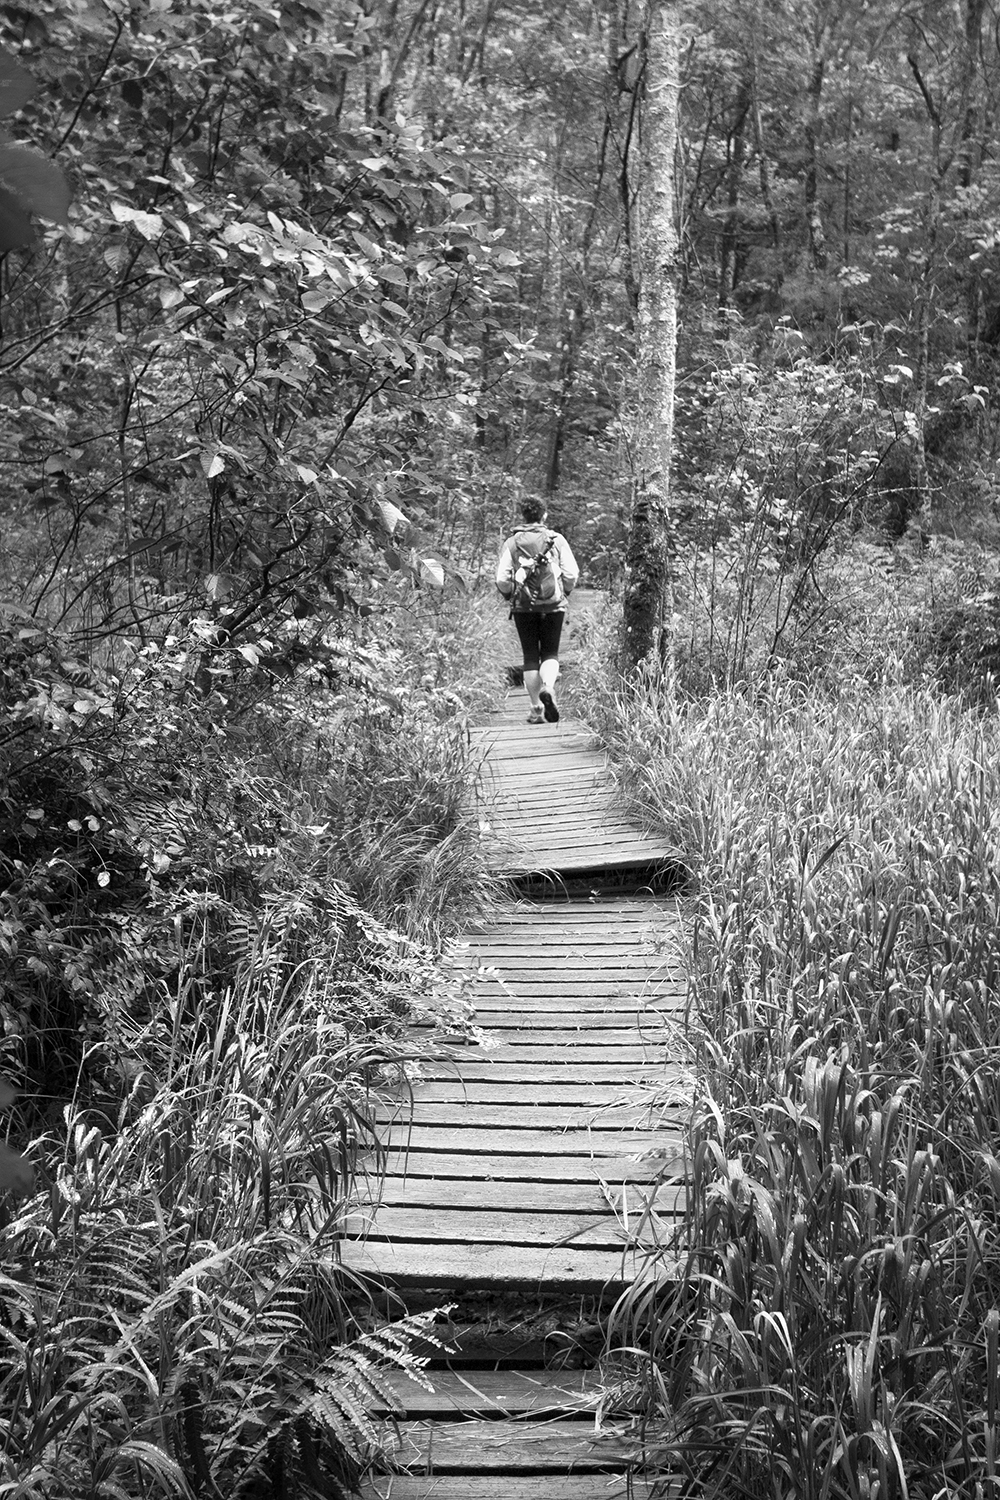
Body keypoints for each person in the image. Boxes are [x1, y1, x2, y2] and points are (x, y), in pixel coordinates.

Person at [496, 498, 579, 724]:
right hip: (554, 605)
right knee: (551, 653)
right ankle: (549, 687)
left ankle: (536, 710)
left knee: (530, 656)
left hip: (524, 606)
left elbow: (502, 579)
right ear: (544, 516)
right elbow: (571, 573)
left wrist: (509, 594)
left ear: (523, 516)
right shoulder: (556, 540)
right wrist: (566, 591)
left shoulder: (512, 543)